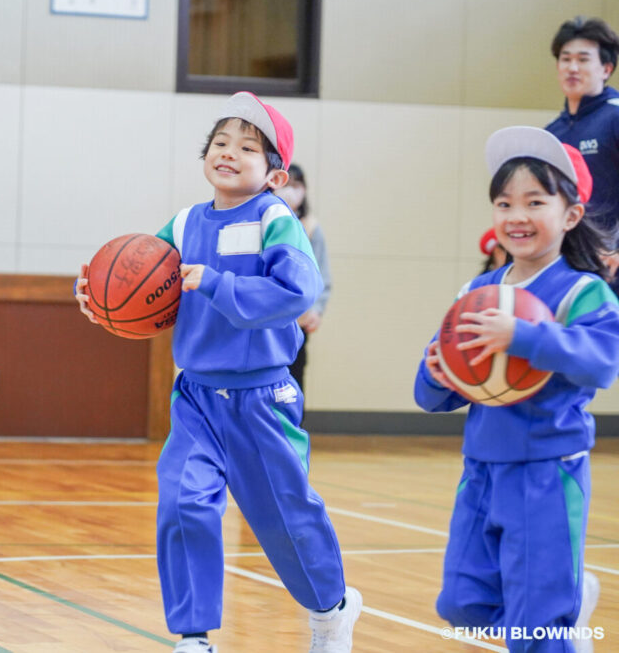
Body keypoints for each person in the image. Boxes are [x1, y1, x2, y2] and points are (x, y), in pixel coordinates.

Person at [76, 92, 361, 652]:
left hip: (262, 400)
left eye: (247, 146)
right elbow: (137, 281)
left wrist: (216, 283)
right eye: (221, 142)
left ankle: (331, 610)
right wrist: (96, 294)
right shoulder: (183, 223)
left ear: (274, 173)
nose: (229, 152)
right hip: (198, 398)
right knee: (184, 502)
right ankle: (193, 636)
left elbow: (297, 292)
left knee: (285, 520)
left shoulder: (276, 220)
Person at [415, 126, 619, 652]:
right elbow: (433, 394)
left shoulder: (582, 290)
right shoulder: (477, 292)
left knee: (537, 621)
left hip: (546, 471)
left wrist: (524, 337)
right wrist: (437, 372)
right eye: (504, 203)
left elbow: (602, 362)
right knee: (462, 602)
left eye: (535, 201)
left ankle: (556, 626)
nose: (517, 215)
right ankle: (561, 624)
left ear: (570, 214)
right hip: (481, 467)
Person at [545, 16, 619, 290]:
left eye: (584, 59)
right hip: (570, 269)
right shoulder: (552, 133)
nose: (572, 68)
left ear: (606, 68)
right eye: (566, 59)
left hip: (612, 265)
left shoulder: (615, 116)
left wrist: (615, 249)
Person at [276, 163, 331, 395]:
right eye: (286, 185)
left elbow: (322, 274)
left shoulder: (310, 227)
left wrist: (317, 310)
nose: (290, 191)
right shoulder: (265, 222)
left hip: (297, 321)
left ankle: (292, 428)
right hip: (267, 318)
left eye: (296, 185)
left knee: (294, 382)